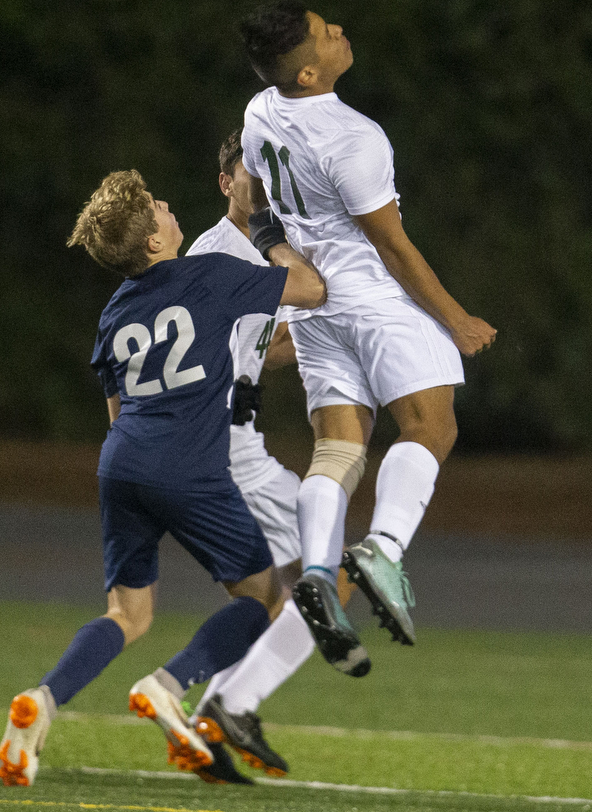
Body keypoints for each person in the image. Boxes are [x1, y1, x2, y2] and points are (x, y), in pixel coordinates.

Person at [0, 168, 325, 787]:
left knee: (127, 612)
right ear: (152, 241)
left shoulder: (113, 313)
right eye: (156, 207)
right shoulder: (207, 275)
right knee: (262, 596)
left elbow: (117, 412)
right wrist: (270, 234)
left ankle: (42, 701)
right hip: (188, 469)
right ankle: (168, 684)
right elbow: (310, 288)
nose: (169, 205)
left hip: (120, 465)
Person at [238, 0, 497, 677]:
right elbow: (391, 246)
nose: (340, 32)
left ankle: (319, 573)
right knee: (431, 428)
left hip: (318, 306)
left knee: (338, 448)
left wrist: (278, 256)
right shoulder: (355, 138)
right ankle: (381, 546)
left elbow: (255, 205)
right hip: (376, 302)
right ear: (306, 74)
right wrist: (455, 317)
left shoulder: (259, 111)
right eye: (327, 34)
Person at [184, 130, 353, 783]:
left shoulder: (247, 252)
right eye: (248, 176)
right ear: (225, 184)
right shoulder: (222, 254)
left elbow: (253, 351)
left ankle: (209, 715)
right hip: (228, 453)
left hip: (229, 446)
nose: (262, 188)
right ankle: (216, 702)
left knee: (273, 594)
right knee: (329, 573)